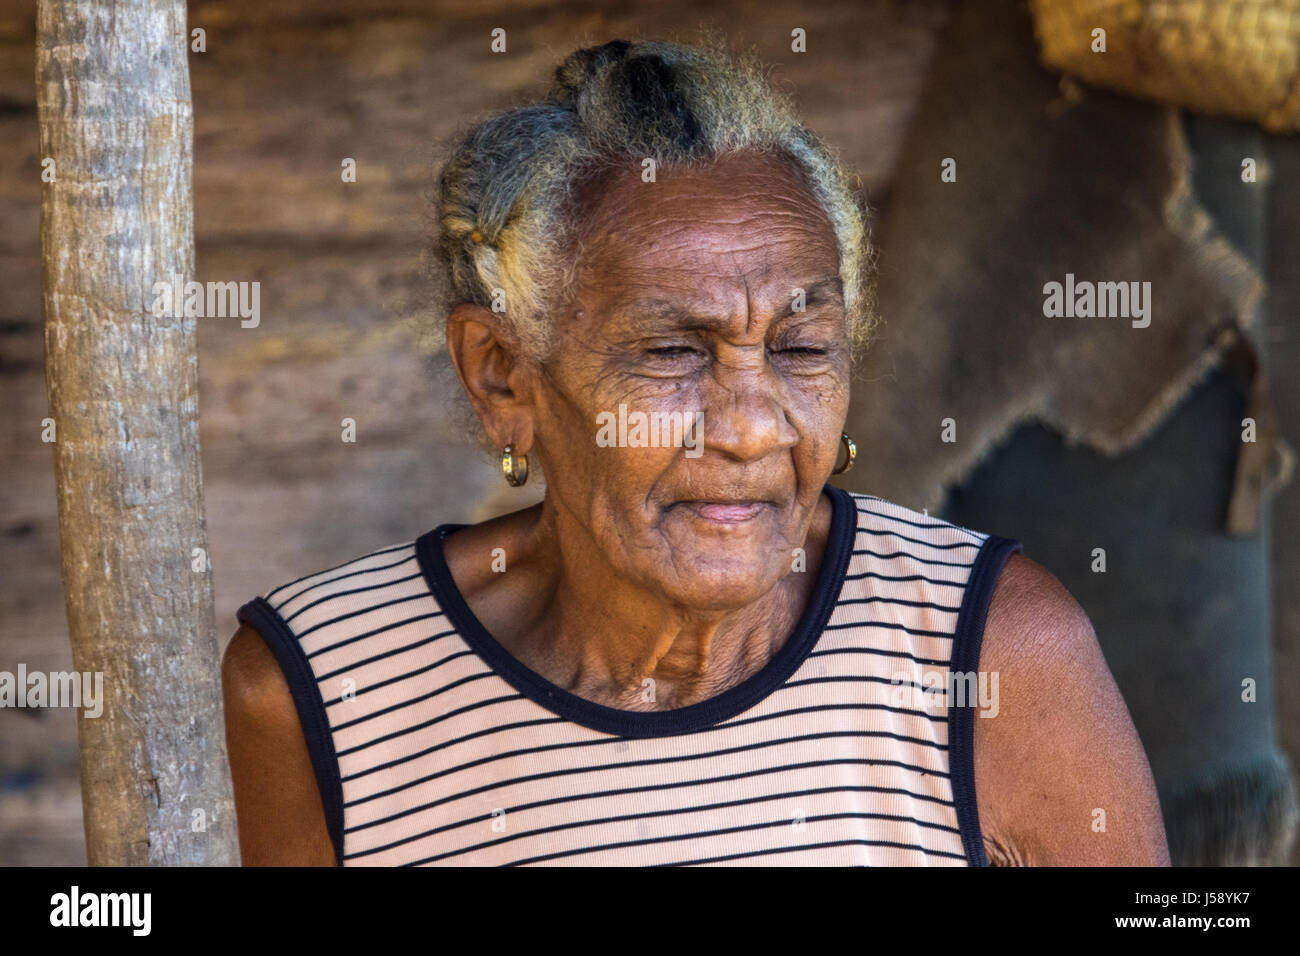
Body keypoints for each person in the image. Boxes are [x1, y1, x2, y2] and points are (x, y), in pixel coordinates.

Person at [221, 38, 1169, 866]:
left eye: (801, 351)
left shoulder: (990, 654)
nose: (753, 428)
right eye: (672, 352)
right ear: (503, 376)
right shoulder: (329, 691)